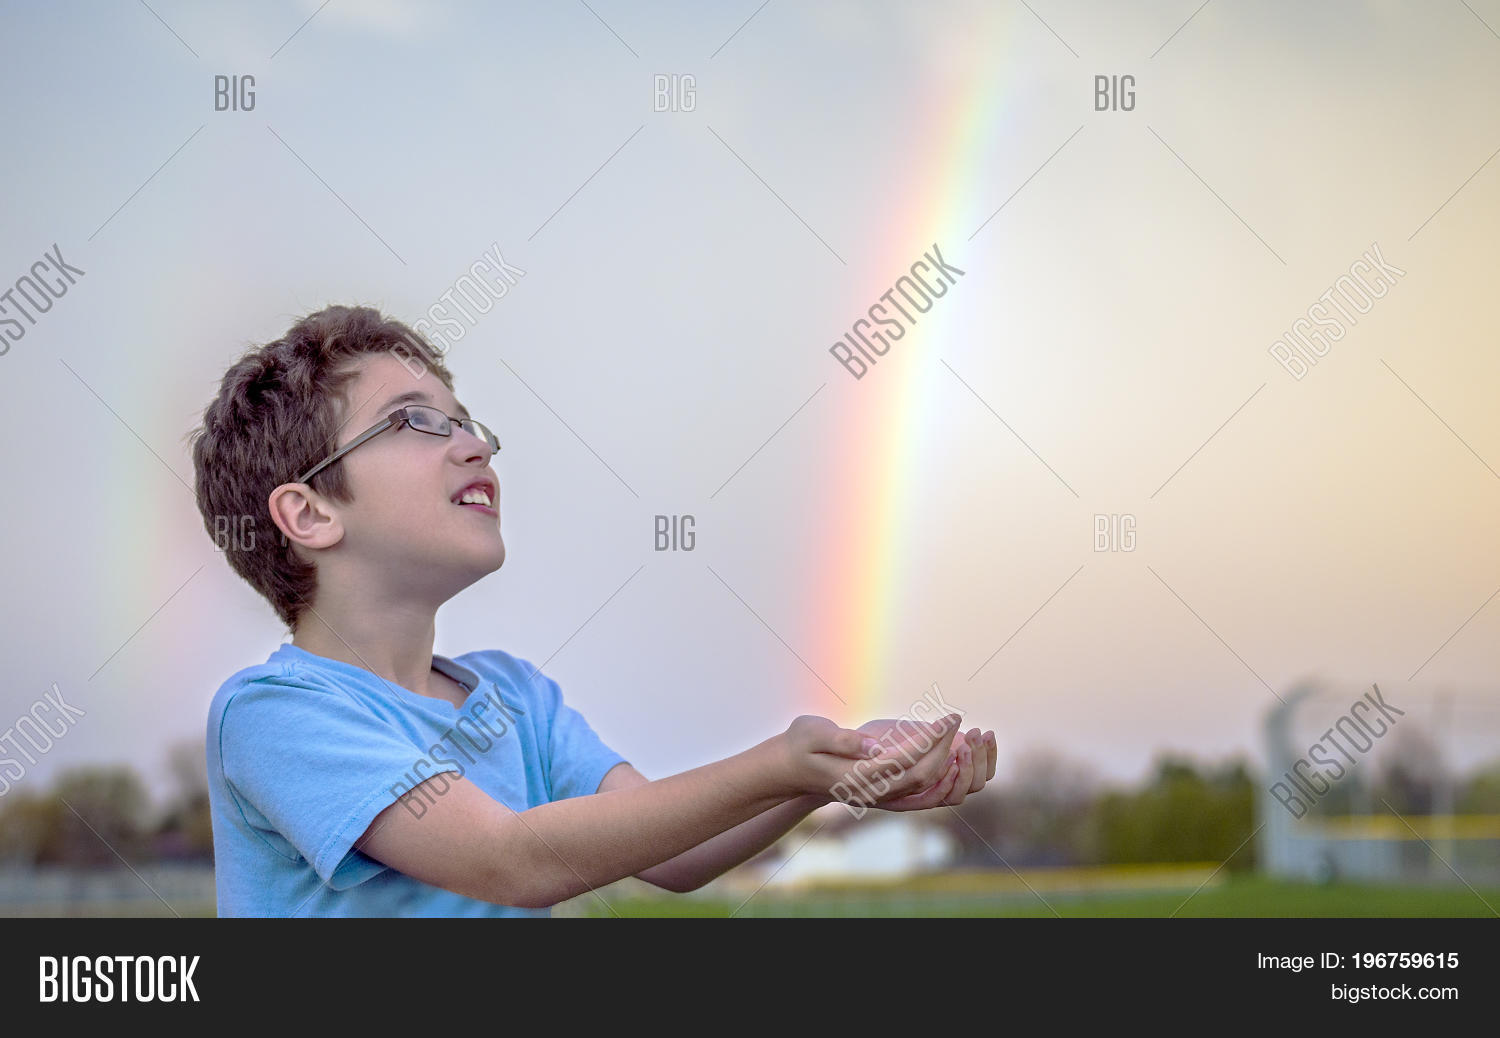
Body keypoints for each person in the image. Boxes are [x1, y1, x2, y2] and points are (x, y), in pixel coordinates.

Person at [189, 304, 996, 916]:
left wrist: (830, 775)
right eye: (412, 421)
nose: (473, 445)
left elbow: (678, 854)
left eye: (465, 420)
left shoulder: (516, 698)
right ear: (310, 515)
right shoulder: (274, 716)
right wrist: (781, 761)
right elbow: (513, 861)